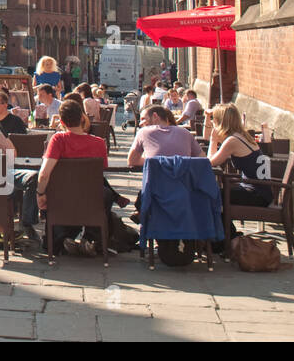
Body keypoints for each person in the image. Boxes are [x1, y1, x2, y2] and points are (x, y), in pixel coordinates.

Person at [34, 98, 114, 257]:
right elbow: (101, 172)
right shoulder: (99, 143)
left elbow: (44, 173)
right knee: (107, 194)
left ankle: (62, 236)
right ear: (82, 117)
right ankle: (90, 237)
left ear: (61, 121)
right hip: (91, 198)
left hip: (62, 197)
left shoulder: (58, 139)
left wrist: (40, 193)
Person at [207, 103, 272, 208]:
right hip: (262, 192)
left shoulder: (232, 141)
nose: (212, 122)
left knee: (208, 196)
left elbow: (209, 162)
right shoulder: (243, 136)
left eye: (213, 120)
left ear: (219, 121)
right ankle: (223, 224)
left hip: (256, 194)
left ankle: (223, 225)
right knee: (213, 195)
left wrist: (213, 140)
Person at [128, 104, 204, 168]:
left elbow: (132, 161)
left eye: (143, 119)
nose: (140, 124)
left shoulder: (144, 132)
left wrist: (154, 161)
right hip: (183, 184)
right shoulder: (185, 133)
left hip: (156, 184)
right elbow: (202, 159)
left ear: (155, 116)